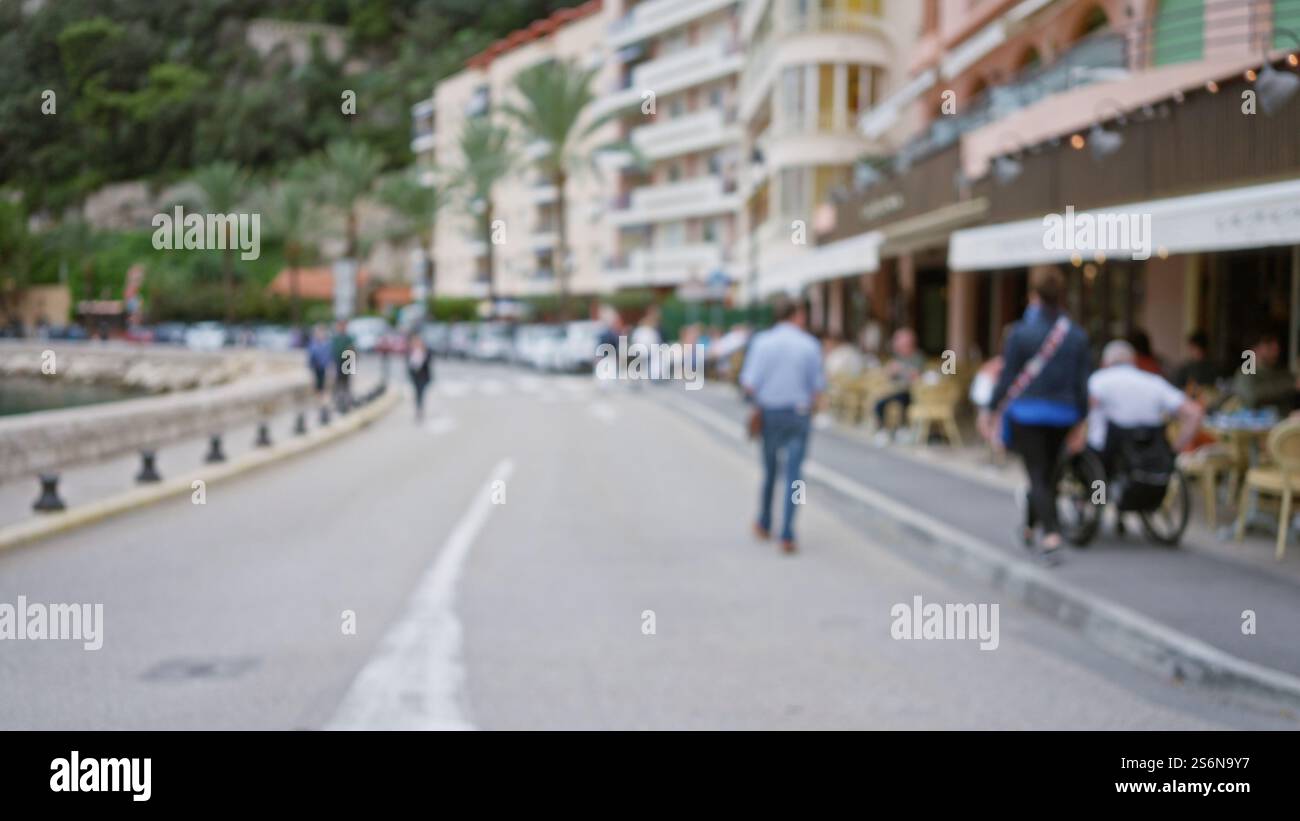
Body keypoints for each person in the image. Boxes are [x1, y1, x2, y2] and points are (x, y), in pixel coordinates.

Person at [985, 268, 1091, 564]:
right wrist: (1081, 420)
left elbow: (1007, 378)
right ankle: (1030, 528)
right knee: (1046, 474)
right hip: (1064, 415)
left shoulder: (1019, 333)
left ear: (1034, 297)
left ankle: (1052, 535)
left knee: (1038, 474)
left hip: (1027, 413)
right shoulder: (1077, 336)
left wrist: (991, 410)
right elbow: (1083, 384)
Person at [740, 297, 826, 554]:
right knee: (795, 477)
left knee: (769, 472)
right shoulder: (809, 344)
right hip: (798, 414)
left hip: (770, 413)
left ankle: (765, 521)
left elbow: (749, 383)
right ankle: (788, 532)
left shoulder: (762, 342)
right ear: (797, 315)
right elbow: (818, 388)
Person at [1088, 339, 1203, 458]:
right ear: (1134, 361)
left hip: (1107, 460)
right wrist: (1174, 450)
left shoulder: (1098, 380)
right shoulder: (1154, 382)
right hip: (1152, 460)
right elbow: (1195, 413)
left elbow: (1085, 407)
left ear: (1104, 363)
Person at [873, 327, 924, 443]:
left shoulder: (917, 357)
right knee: (879, 403)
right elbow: (887, 374)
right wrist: (890, 370)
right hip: (895, 390)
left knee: (902, 402)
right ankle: (883, 430)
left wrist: (902, 369)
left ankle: (902, 429)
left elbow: (917, 375)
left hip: (911, 392)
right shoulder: (897, 357)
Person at [1232, 330, 1296, 413]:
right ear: (1254, 348)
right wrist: (1291, 385)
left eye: (1276, 344)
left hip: (1287, 420)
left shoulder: (1282, 372)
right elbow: (1252, 396)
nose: (1276, 348)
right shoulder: (1246, 372)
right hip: (1258, 422)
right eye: (1268, 344)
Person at [1170, 330, 1219, 396]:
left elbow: (1215, 388)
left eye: (1193, 348)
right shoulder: (1185, 368)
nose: (1191, 351)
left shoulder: (1212, 367)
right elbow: (1175, 388)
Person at [330, 319, 357, 411]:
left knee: (346, 383)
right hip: (338, 362)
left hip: (347, 362)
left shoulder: (348, 338)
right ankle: (339, 401)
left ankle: (346, 401)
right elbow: (333, 352)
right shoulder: (335, 339)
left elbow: (352, 351)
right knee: (338, 383)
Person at [406, 332, 434, 421]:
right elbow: (409, 364)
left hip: (424, 377)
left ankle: (420, 409)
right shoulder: (411, 351)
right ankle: (419, 409)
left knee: (420, 393)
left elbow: (428, 362)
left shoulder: (425, 351)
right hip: (415, 377)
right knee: (417, 393)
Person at [306, 324, 332, 399]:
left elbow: (329, 356)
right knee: (317, 385)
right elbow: (311, 357)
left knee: (323, 384)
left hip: (323, 367)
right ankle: (319, 398)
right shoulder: (313, 344)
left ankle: (322, 399)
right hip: (316, 367)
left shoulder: (327, 344)